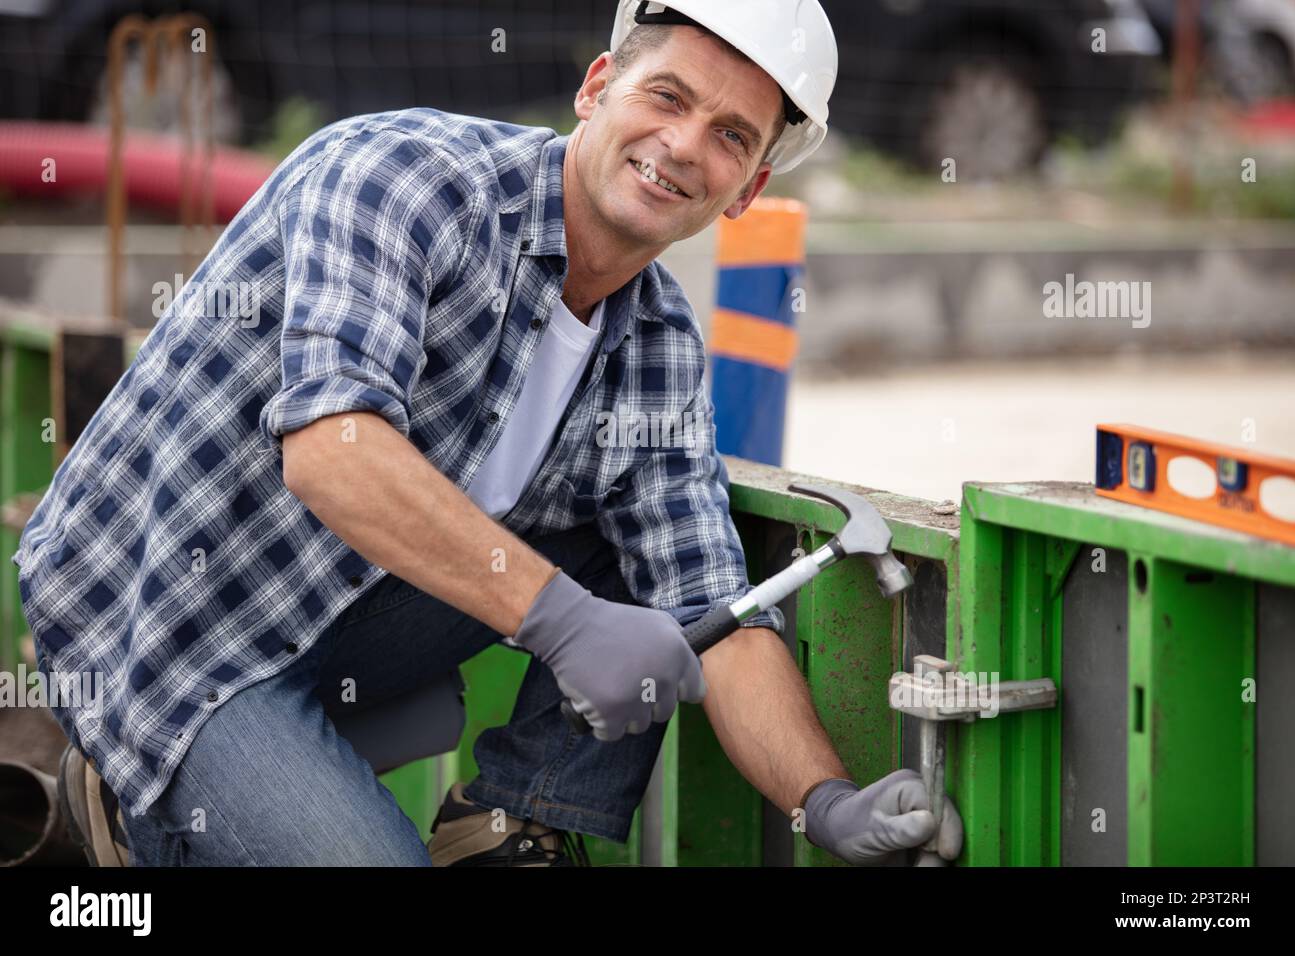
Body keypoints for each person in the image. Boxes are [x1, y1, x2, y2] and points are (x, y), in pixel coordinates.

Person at [16, 0, 961, 866]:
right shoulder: (404, 180)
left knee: (647, 568)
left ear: (747, 189)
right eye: (665, 96)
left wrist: (826, 802)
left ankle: (505, 828)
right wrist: (562, 619)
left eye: (727, 136)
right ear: (596, 88)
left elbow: (714, 619)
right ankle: (128, 798)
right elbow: (331, 449)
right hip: (167, 624)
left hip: (344, 608)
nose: (680, 146)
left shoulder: (658, 344)